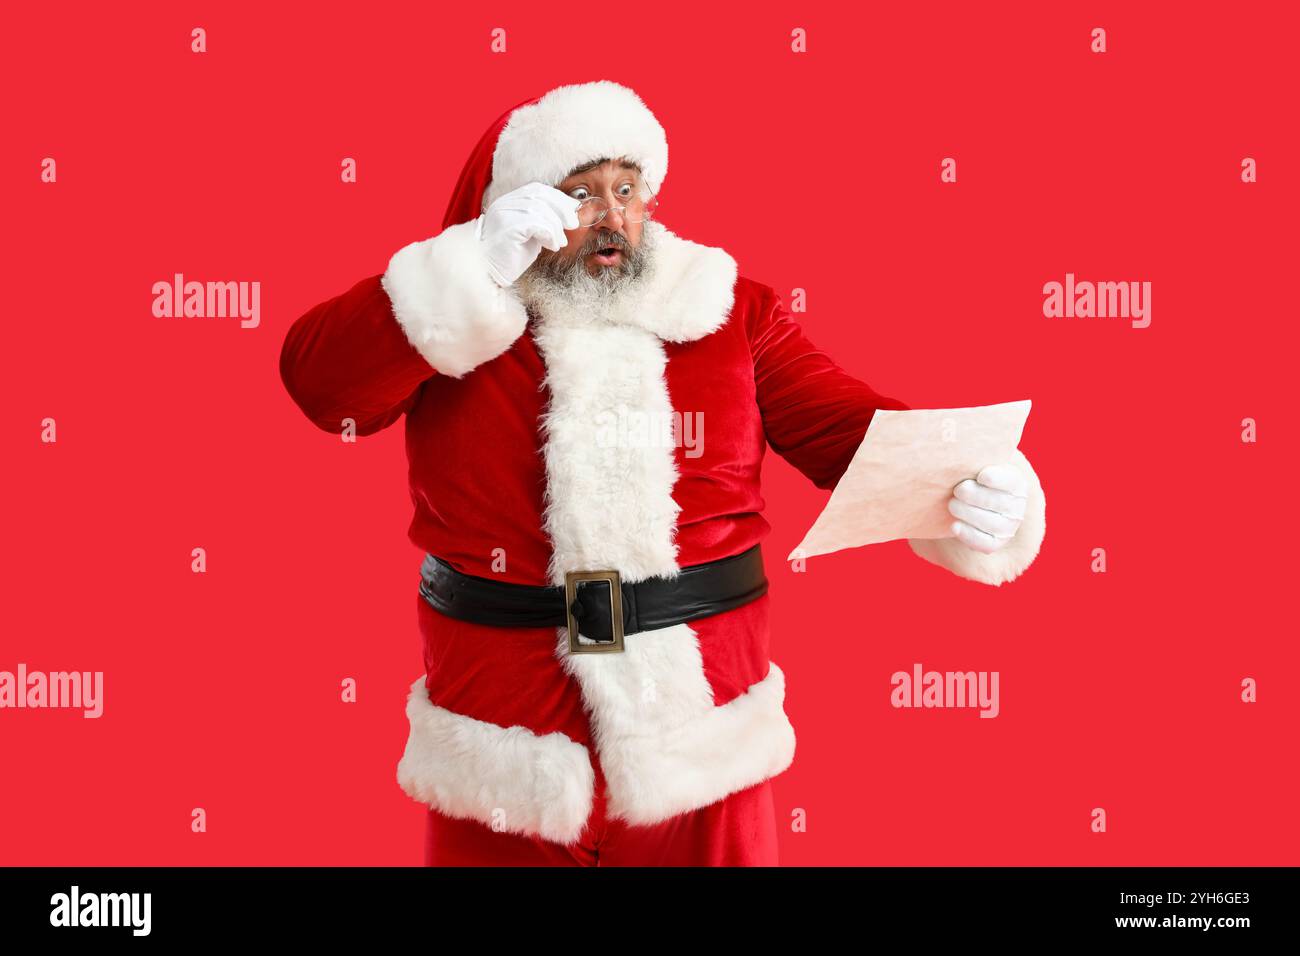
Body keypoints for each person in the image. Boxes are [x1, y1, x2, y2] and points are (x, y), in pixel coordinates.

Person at [278, 80, 1047, 866]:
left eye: (626, 187)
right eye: (579, 193)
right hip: (501, 747)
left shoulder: (727, 310)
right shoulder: (457, 321)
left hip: (702, 742)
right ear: (521, 206)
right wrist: (465, 271)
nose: (612, 216)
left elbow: (848, 426)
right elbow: (323, 388)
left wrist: (970, 481)